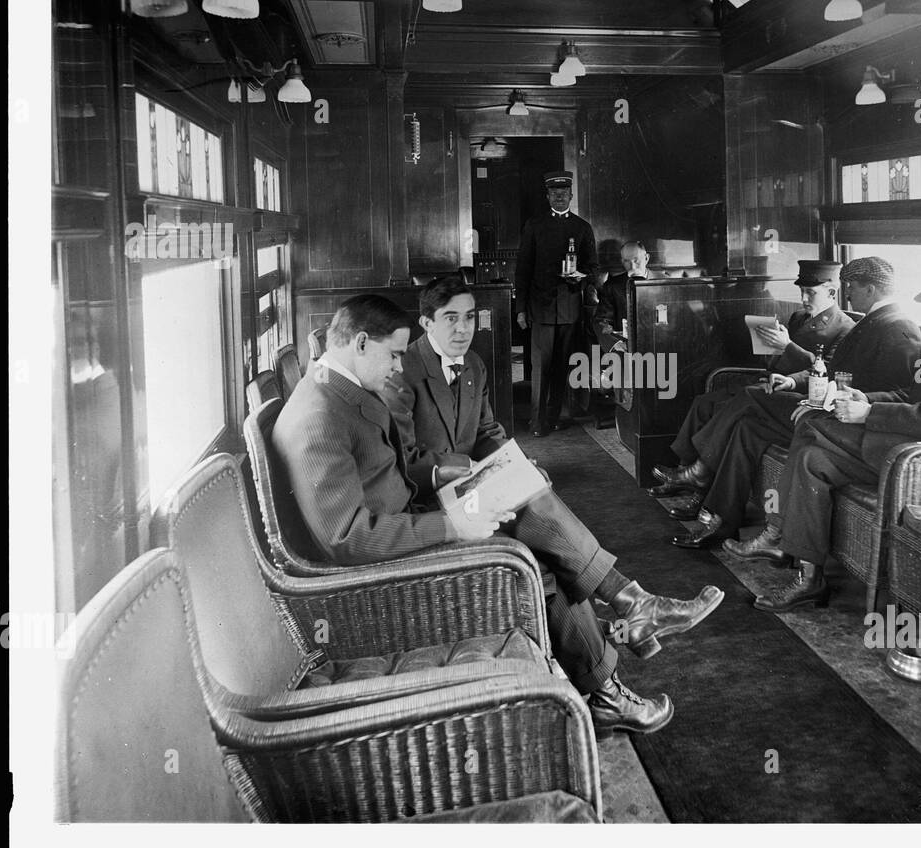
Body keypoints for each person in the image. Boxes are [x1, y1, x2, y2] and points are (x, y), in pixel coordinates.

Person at [274, 290, 723, 736]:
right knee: (540, 563)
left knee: (527, 506)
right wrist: (452, 523)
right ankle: (614, 666)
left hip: (407, 520)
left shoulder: (337, 392)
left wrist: (467, 486)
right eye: (392, 355)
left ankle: (625, 624)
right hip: (387, 571)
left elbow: (387, 477)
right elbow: (347, 539)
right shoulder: (320, 417)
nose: (397, 366)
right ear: (360, 344)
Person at [747, 265, 921, 612]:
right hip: (912, 447)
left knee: (812, 423)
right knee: (811, 460)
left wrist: (868, 415)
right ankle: (808, 577)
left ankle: (777, 531)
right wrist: (866, 398)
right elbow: (912, 394)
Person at [669, 257, 921, 548]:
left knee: (752, 396)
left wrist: (846, 400)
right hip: (826, 406)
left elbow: (894, 392)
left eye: (851, 287)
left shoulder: (897, 328)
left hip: (842, 421)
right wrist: (793, 381)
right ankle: (719, 520)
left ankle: (702, 470)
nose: (848, 293)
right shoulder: (873, 324)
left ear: (872, 289)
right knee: (747, 428)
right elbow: (830, 370)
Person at [649, 259, 853, 500]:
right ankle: (686, 471)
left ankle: (698, 476)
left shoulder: (845, 328)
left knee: (732, 409)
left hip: (800, 395)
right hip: (775, 381)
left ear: (831, 292)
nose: (804, 298)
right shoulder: (799, 317)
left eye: (810, 292)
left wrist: (787, 347)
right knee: (706, 402)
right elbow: (778, 361)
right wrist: (772, 349)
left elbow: (825, 372)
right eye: (801, 291)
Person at [515, 169, 597, 437]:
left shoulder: (582, 228)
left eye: (564, 193)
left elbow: (593, 268)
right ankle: (537, 422)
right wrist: (521, 310)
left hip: (570, 310)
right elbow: (523, 270)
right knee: (540, 368)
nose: (559, 197)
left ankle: (554, 417)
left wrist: (580, 276)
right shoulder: (534, 225)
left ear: (571, 195)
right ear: (547, 195)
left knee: (562, 366)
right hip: (540, 309)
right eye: (554, 193)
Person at [595, 240, 650, 345]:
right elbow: (602, 322)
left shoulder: (666, 282)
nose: (632, 267)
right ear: (622, 261)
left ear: (646, 258)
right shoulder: (611, 286)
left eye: (636, 260)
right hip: (625, 347)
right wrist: (616, 344)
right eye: (626, 261)